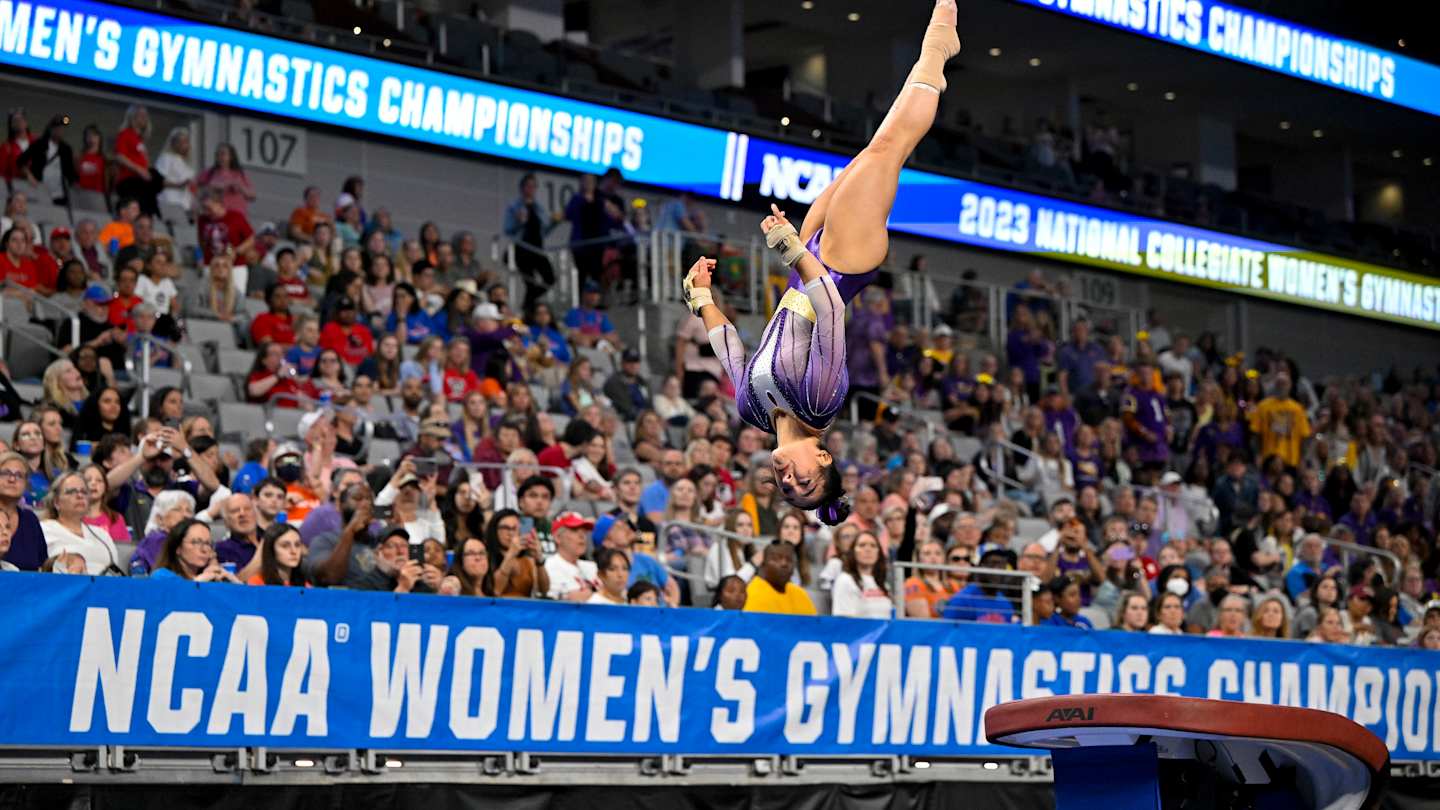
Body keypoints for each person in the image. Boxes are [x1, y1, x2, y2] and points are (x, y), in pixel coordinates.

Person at [682, 0, 963, 521]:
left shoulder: (753, 411)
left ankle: (935, 58)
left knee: (867, 156)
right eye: (805, 480)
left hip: (805, 267)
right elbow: (831, 312)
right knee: (886, 151)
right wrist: (792, 248)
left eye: (787, 488)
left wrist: (700, 298)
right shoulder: (820, 403)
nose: (787, 478)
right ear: (823, 455)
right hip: (842, 268)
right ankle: (937, 49)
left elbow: (728, 347)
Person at [40, 470, 122, 575]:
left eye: (84, 492)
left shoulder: (101, 534)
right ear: (56, 502)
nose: (79, 496)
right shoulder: (44, 529)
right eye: (71, 491)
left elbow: (116, 570)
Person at [151, 518, 242, 582]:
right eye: (196, 542)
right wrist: (200, 581)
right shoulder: (161, 576)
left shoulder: (211, 578)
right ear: (178, 548)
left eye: (208, 543)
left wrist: (233, 582)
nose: (204, 549)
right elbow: (176, 598)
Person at [0, 452, 47, 569]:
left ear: (26, 484)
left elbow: (43, 565)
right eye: (6, 473)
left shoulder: (30, 520)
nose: (12, 479)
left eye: (19, 475)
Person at [831, 530, 893, 618]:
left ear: (879, 553)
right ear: (853, 552)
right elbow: (843, 621)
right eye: (862, 545)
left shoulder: (883, 583)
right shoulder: (845, 580)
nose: (868, 549)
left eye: (873, 546)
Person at [743, 541, 817, 615]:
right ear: (763, 564)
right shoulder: (753, 594)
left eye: (789, 559)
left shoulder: (800, 594)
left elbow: (814, 624)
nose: (784, 564)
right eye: (776, 559)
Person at [544, 511, 599, 601]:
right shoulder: (549, 566)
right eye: (574, 530)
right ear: (558, 537)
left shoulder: (592, 566)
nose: (582, 536)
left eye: (584, 531)